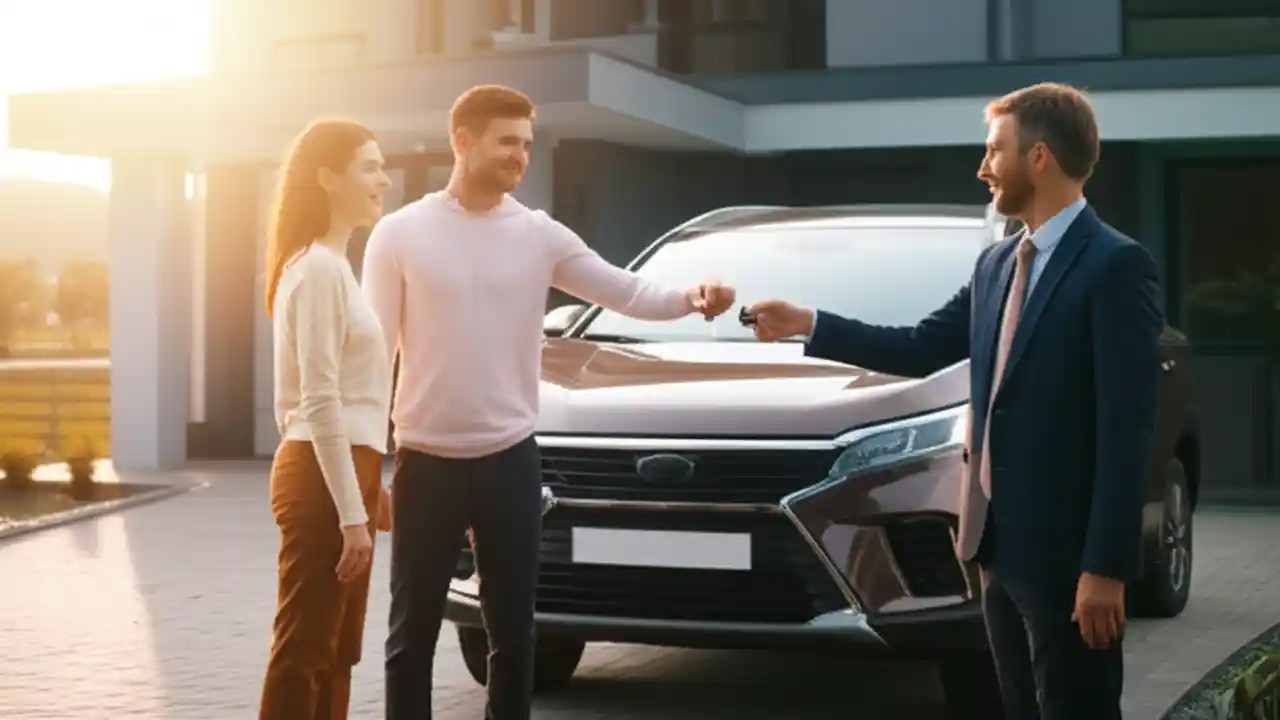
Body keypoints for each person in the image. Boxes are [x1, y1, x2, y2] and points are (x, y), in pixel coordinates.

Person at [746, 82, 1163, 719]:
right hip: (995, 550)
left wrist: (1106, 568)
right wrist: (809, 323)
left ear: (1039, 157)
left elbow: (1126, 431)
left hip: (1069, 559)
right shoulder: (996, 265)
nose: (982, 167)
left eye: (994, 150)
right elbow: (919, 346)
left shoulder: (1116, 267)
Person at [361, 84, 736, 719]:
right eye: (507, 142)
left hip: (511, 461)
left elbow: (628, 291)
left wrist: (690, 298)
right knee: (411, 635)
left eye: (527, 144)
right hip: (426, 463)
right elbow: (373, 356)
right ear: (462, 141)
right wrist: (368, 467)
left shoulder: (538, 235)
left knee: (514, 634)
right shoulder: (399, 234)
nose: (520, 156)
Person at [258, 119, 396, 720]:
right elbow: (317, 399)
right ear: (326, 178)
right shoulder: (316, 268)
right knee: (305, 652)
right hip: (320, 480)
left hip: (339, 475)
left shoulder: (334, 267)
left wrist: (367, 492)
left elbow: (345, 400)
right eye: (370, 167)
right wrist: (350, 512)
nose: (383, 180)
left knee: (337, 653)